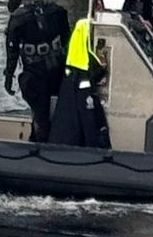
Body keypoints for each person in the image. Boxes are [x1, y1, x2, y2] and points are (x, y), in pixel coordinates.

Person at [4, 0, 71, 141]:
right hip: (58, 71)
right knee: (55, 112)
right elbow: (67, 40)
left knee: (40, 115)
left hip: (34, 75)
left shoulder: (17, 19)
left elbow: (12, 51)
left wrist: (9, 76)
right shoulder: (56, 10)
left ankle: (39, 148)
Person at [47, 17, 109, 148]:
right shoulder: (82, 82)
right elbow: (88, 118)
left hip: (61, 141)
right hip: (73, 147)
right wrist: (97, 148)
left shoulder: (69, 74)